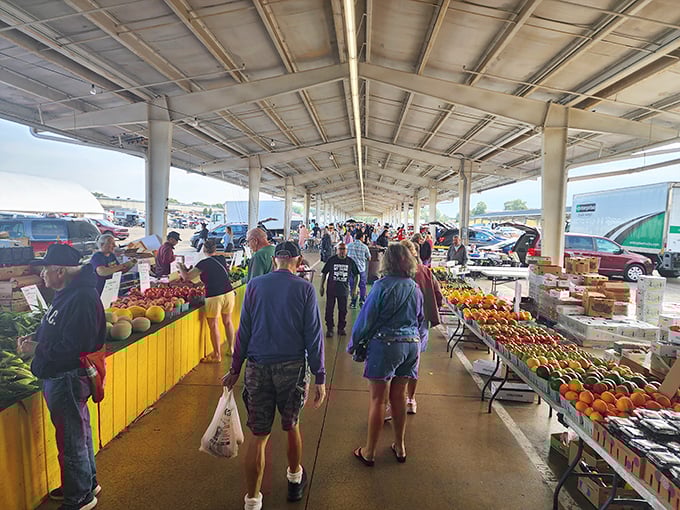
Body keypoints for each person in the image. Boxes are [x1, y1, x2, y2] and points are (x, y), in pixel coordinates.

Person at [222, 241, 326, 510]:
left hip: (257, 367)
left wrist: (235, 368)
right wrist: (320, 376)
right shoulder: (304, 289)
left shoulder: (255, 286)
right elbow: (313, 335)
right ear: (297, 260)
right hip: (292, 368)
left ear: (275, 260)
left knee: (259, 434)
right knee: (291, 425)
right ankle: (294, 480)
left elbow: (243, 330)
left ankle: (253, 500)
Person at [18, 244, 105, 510]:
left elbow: (73, 347)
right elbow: (61, 329)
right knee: (79, 433)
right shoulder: (68, 292)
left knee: (71, 440)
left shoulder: (82, 298)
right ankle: (85, 483)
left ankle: (79, 497)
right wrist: (38, 337)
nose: (42, 274)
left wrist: (36, 348)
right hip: (63, 377)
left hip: (67, 378)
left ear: (58, 271)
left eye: (45, 269)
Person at [347, 243, 426, 466]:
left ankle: (369, 451)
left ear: (386, 262)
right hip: (411, 346)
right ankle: (400, 447)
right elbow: (420, 319)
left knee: (378, 399)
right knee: (399, 396)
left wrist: (353, 344)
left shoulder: (381, 287)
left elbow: (366, 319)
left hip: (385, 345)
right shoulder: (414, 287)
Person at [400, 239, 443, 413]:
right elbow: (438, 295)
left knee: (397, 362)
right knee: (413, 361)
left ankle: (396, 399)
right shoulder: (425, 272)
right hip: (420, 324)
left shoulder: (394, 274)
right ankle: (411, 399)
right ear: (415, 254)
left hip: (399, 325)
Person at [178, 239, 235, 362]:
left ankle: (216, 355)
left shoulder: (203, 263)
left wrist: (180, 267)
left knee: (213, 325)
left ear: (203, 249)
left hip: (214, 295)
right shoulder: (221, 259)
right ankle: (231, 349)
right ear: (215, 249)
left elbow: (187, 277)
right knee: (228, 322)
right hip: (229, 293)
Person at [320, 242, 358, 337]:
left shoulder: (350, 261)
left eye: (344, 249)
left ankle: (341, 328)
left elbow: (357, 275)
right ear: (337, 250)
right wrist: (321, 286)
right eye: (340, 249)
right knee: (329, 310)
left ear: (346, 250)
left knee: (343, 310)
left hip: (343, 290)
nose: (342, 251)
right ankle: (330, 328)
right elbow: (324, 273)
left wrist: (355, 288)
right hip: (331, 290)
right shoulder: (331, 260)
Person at [347, 232, 371, 308]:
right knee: (362, 285)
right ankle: (362, 300)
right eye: (363, 238)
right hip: (361, 269)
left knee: (352, 285)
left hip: (351, 270)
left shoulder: (349, 245)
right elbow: (369, 258)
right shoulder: (364, 247)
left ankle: (353, 302)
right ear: (361, 238)